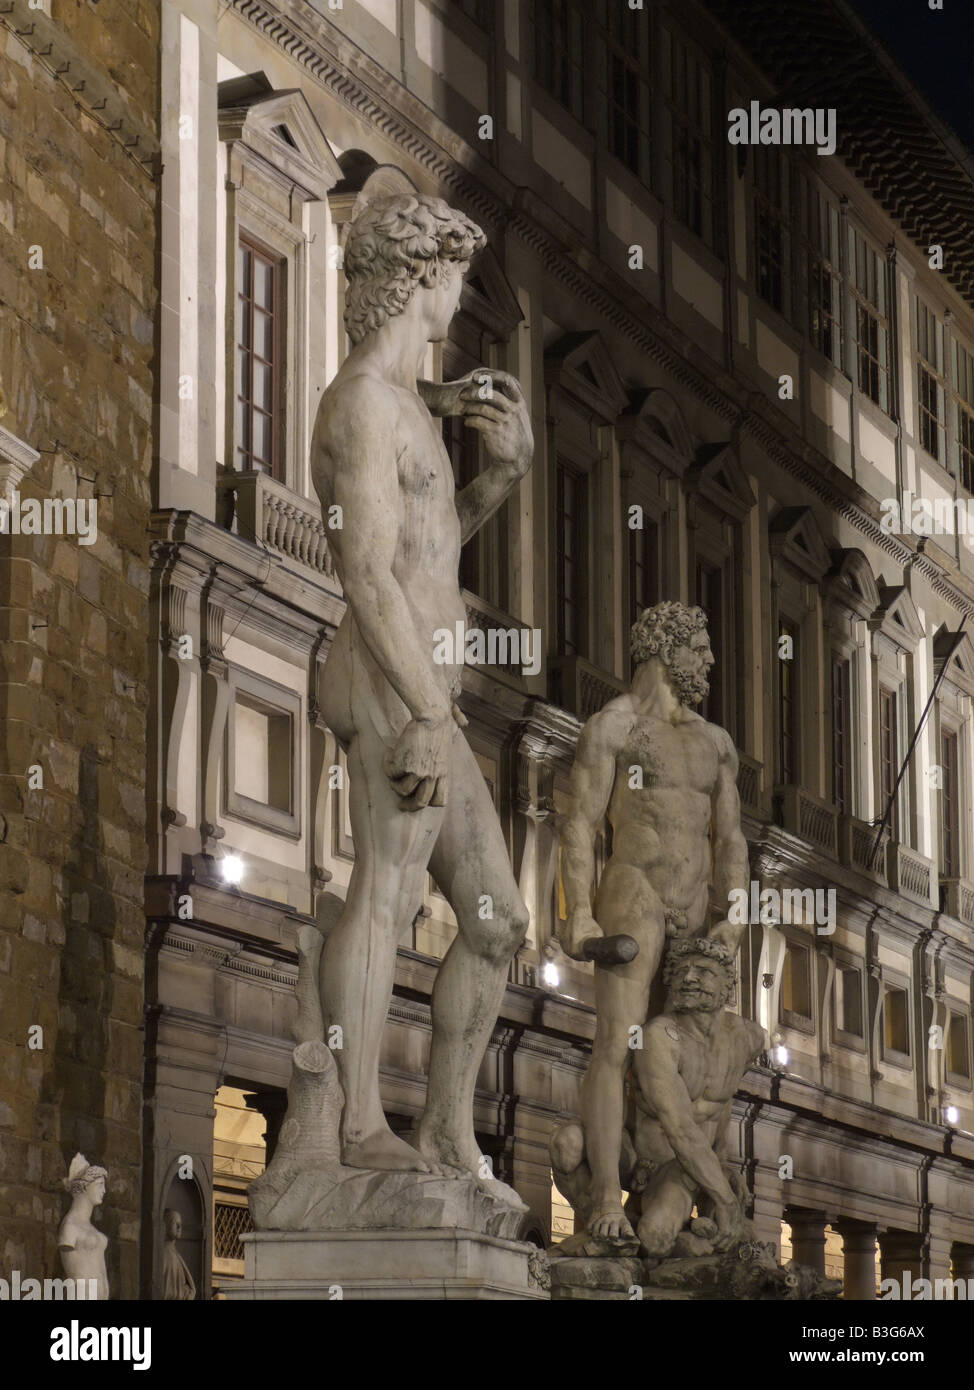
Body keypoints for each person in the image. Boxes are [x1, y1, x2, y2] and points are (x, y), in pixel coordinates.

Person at [309, 193, 533, 1186]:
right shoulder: (362, 400)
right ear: (416, 277)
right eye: (454, 276)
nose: (463, 296)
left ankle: (443, 1129)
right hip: (389, 678)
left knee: (494, 920)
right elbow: (365, 573)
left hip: (428, 683)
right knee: (387, 887)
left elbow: (428, 558)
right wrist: (427, 713)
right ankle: (356, 1124)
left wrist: (502, 477)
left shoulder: (410, 405)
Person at [558, 601, 749, 1240]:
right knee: (616, 1045)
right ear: (666, 648)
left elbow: (731, 842)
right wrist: (579, 912)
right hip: (634, 896)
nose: (711, 660)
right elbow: (579, 824)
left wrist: (735, 917)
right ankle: (609, 1199)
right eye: (700, 648)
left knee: (684, 1055)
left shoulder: (715, 743)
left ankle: (675, 1195)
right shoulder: (612, 727)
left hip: (696, 912)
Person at [57, 1153, 109, 1300]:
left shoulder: (90, 1228)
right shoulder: (70, 1227)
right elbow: (74, 1275)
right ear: (85, 1186)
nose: (104, 1190)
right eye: (100, 1185)